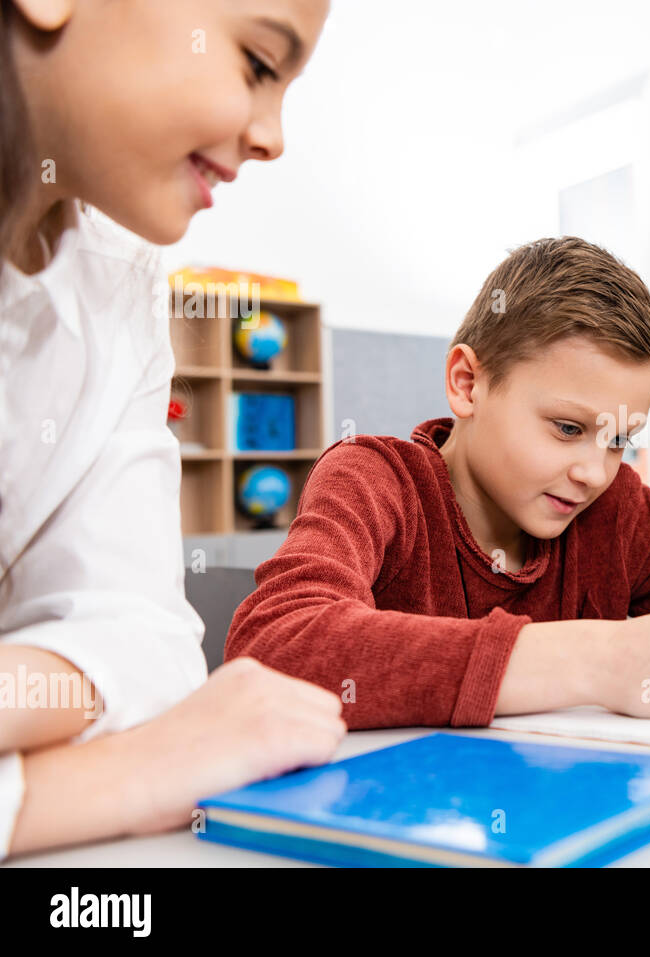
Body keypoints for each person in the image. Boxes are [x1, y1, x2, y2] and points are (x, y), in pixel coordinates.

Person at [226, 237, 650, 724]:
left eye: (620, 439)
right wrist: (602, 658)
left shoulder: (613, 507)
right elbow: (275, 645)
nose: (593, 470)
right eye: (569, 428)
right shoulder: (375, 480)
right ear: (468, 383)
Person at [0, 0, 344, 860]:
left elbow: (146, 637)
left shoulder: (118, 285)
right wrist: (134, 770)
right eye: (260, 64)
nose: (272, 136)